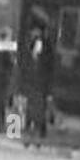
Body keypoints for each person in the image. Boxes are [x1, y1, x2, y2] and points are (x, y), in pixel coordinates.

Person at [17, 18, 55, 146]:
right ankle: (23, 133)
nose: (35, 34)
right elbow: (23, 63)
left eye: (37, 32)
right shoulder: (27, 45)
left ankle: (38, 134)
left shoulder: (46, 46)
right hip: (28, 81)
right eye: (33, 32)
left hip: (40, 83)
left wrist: (49, 89)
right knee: (24, 109)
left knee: (38, 110)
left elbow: (49, 67)